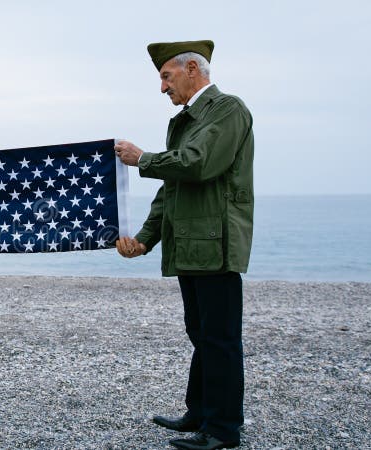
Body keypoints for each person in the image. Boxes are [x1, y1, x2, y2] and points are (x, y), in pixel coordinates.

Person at [114, 40, 253, 450]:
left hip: (215, 243)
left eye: (165, 76)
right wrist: (144, 239)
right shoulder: (186, 120)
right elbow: (172, 187)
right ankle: (201, 410)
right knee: (201, 332)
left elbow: (198, 163)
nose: (162, 88)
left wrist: (142, 159)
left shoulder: (228, 109)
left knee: (221, 337)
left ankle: (224, 429)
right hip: (190, 243)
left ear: (193, 68)